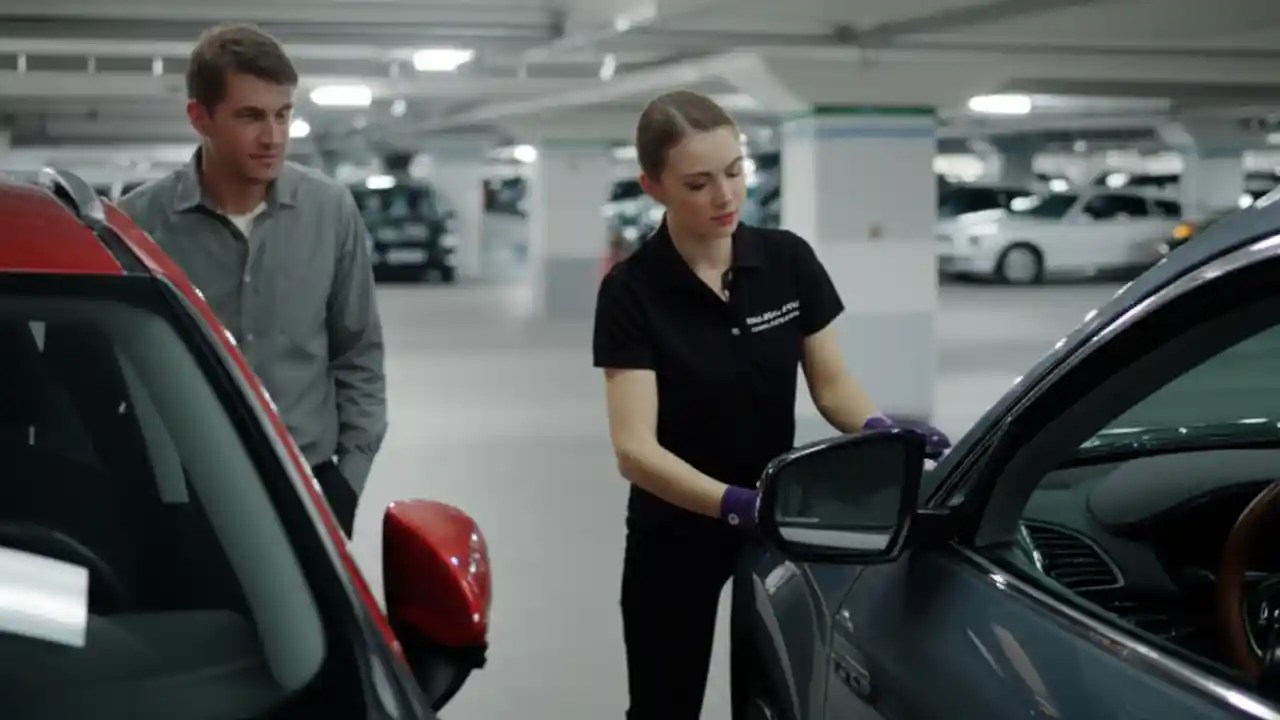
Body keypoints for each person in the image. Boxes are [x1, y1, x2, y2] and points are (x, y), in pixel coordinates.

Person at [592, 90, 951, 719]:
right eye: (699, 183)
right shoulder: (632, 291)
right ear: (654, 187)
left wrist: (882, 431)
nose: (726, 197)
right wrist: (733, 505)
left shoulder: (786, 260)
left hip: (776, 526)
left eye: (735, 172)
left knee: (769, 696)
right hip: (675, 534)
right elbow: (635, 450)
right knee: (662, 706)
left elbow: (832, 384)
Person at [119, 23, 386, 536]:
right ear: (200, 117)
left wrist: (347, 481)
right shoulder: (139, 225)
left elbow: (359, 354)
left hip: (308, 485)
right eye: (250, 117)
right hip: (183, 493)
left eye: (283, 114)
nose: (274, 137)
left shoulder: (329, 212)